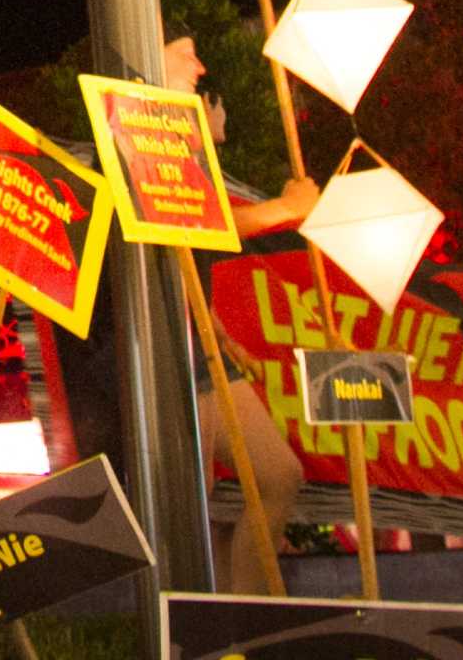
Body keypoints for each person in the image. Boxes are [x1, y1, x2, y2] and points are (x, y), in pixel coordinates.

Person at [161, 34, 317, 600]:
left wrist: (220, 332)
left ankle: (246, 610)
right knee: (191, 502)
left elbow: (188, 253)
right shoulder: (142, 137)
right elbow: (195, 224)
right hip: (169, 355)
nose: (200, 67)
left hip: (202, 349)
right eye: (186, 54)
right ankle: (206, 618)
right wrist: (285, 209)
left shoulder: (184, 143)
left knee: (276, 476)